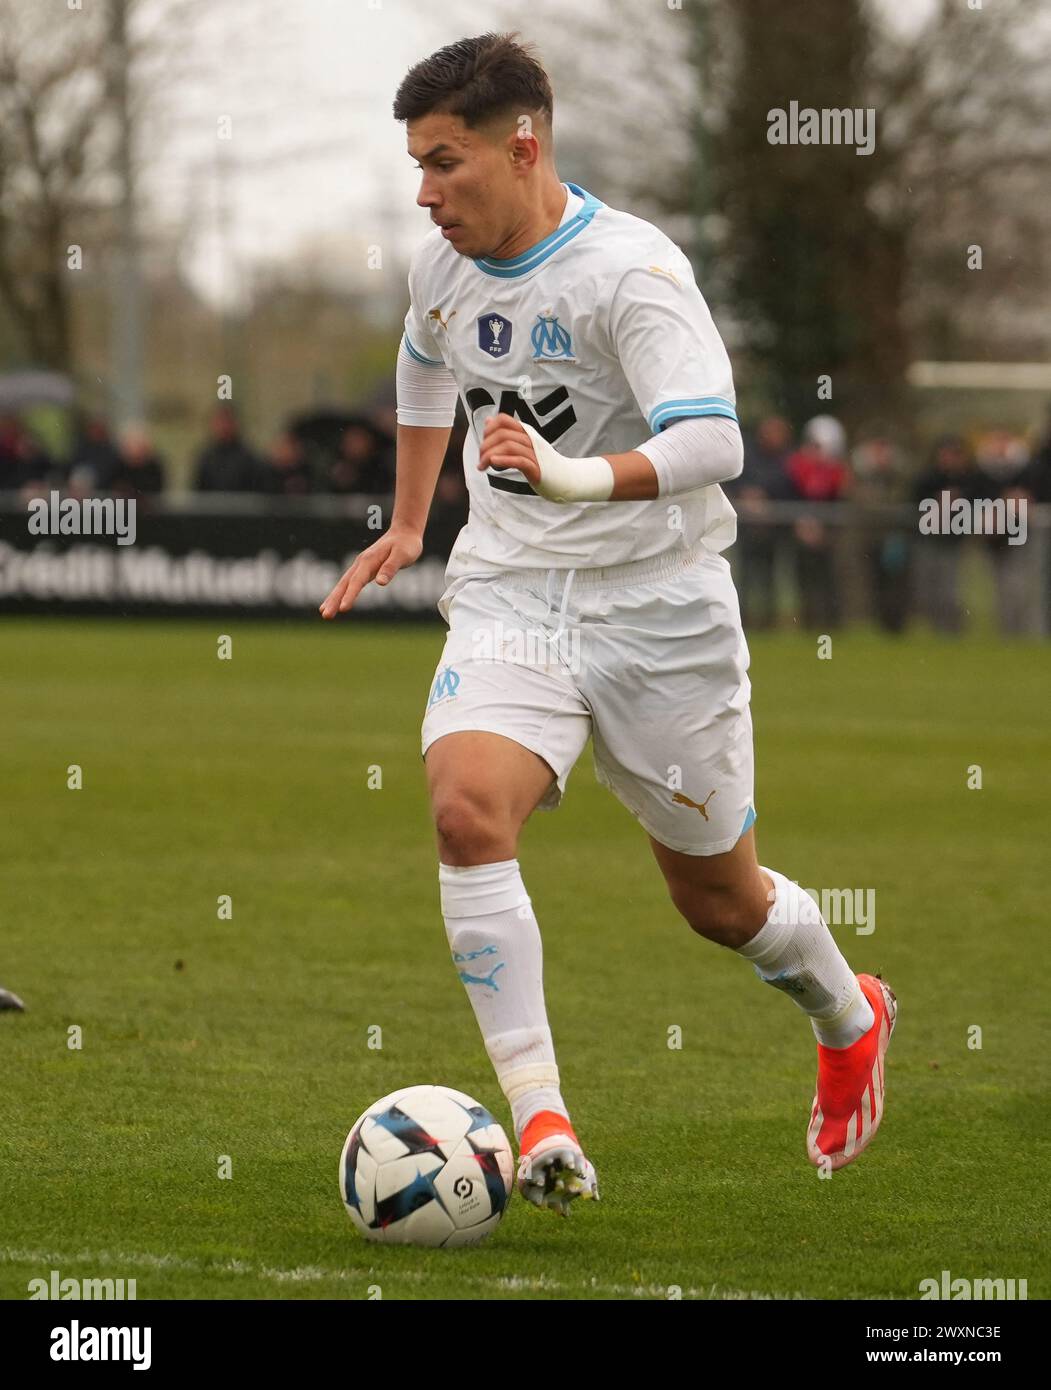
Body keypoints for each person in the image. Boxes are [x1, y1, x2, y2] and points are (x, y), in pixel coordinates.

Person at [320, 33, 896, 1215]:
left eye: (446, 162)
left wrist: (573, 477)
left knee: (717, 901)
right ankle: (539, 1117)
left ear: (521, 144)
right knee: (466, 808)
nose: (426, 193)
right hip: (514, 592)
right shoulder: (444, 264)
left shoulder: (630, 272)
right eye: (416, 168)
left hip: (660, 613)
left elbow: (713, 441)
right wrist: (412, 516)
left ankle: (849, 1015)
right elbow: (424, 362)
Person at [728, 415, 795, 629]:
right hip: (748, 528)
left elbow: (790, 488)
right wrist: (747, 495)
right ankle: (744, 620)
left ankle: (768, 621)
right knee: (746, 575)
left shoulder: (787, 460)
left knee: (769, 576)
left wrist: (769, 502)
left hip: (774, 528)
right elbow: (734, 481)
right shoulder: (747, 456)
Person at [785, 415, 849, 630]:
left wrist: (823, 528)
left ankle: (833, 622)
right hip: (802, 531)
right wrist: (804, 524)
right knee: (805, 578)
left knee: (830, 579)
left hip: (827, 533)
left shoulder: (836, 470)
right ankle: (809, 622)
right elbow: (793, 494)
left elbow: (838, 497)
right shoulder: (798, 465)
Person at [193, 405, 261, 492]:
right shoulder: (206, 458)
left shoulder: (248, 458)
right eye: (219, 422)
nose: (223, 427)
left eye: (227, 422)